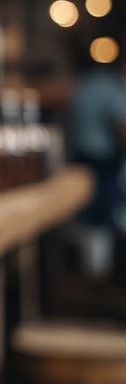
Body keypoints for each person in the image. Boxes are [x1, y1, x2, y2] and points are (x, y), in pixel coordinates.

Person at [67, 53, 126, 276]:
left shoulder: (85, 83)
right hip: (104, 162)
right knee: (102, 219)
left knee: (88, 217)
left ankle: (89, 274)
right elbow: (121, 129)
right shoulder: (112, 89)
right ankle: (98, 276)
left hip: (81, 157)